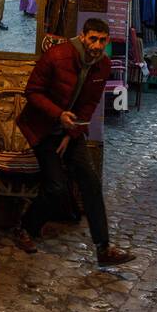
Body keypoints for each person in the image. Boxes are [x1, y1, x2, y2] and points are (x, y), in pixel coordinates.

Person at [13, 18, 135, 267]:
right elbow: (32, 92)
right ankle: (24, 227)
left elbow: (89, 104)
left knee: (90, 181)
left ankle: (103, 248)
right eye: (93, 39)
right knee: (56, 187)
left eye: (102, 40)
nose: (97, 45)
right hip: (42, 128)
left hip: (71, 130)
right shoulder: (57, 56)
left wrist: (71, 133)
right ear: (83, 37)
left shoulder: (102, 65)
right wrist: (59, 115)